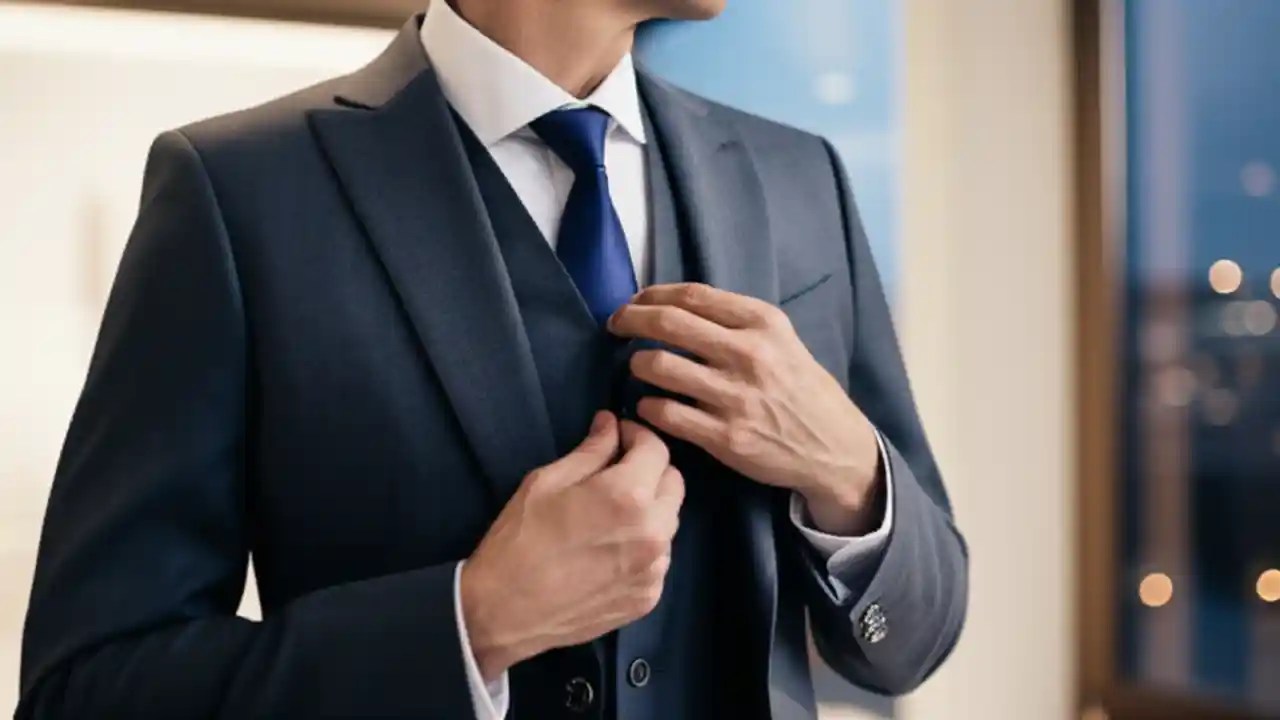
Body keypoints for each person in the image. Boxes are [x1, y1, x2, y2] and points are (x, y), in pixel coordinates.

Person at [17, 1, 967, 718]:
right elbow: (87, 687)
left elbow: (915, 641)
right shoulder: (240, 195)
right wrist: (471, 624)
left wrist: (848, 470)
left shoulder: (799, 178)